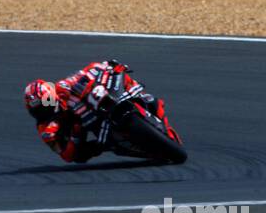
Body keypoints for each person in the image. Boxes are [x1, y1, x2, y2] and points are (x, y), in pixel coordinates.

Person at [23, 61, 182, 164]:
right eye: (37, 110)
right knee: (82, 154)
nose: (43, 110)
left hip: (99, 106)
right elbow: (67, 155)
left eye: (44, 104)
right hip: (86, 132)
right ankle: (119, 144)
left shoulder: (63, 87)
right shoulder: (46, 128)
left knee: (152, 101)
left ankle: (164, 128)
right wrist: (76, 134)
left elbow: (86, 72)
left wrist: (107, 67)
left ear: (51, 96)